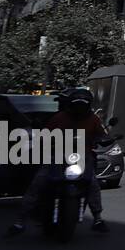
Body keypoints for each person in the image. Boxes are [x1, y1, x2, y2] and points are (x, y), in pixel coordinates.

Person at [7, 88, 109, 235]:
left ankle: (98, 218)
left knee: (93, 184)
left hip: (81, 158)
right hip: (57, 156)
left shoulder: (93, 119)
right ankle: (20, 222)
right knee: (37, 184)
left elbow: (101, 135)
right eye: (77, 104)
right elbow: (45, 134)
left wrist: (105, 140)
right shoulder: (60, 118)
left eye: (83, 105)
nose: (80, 108)